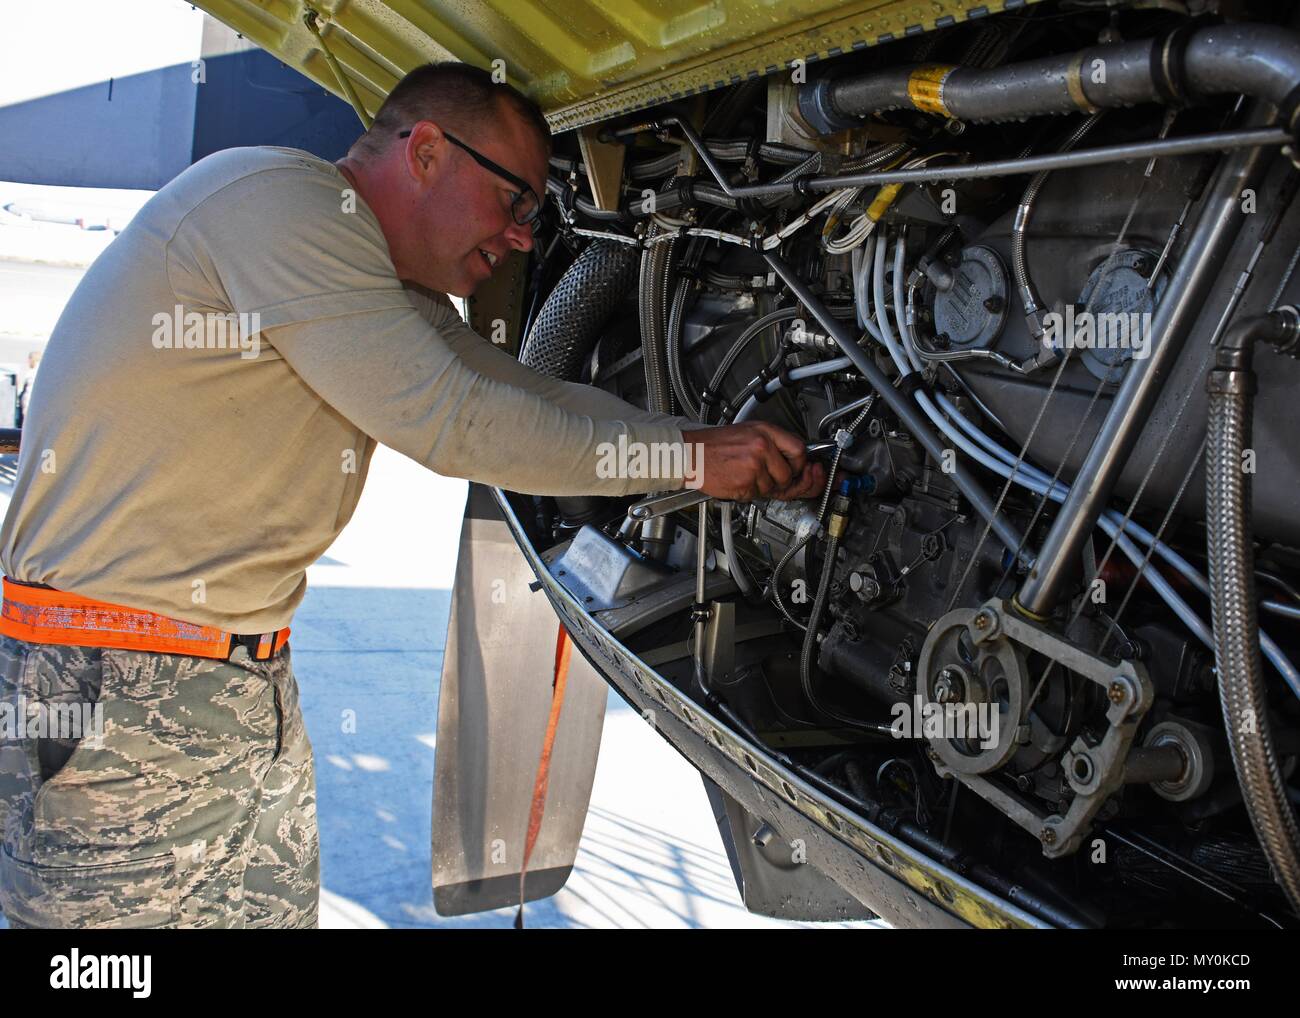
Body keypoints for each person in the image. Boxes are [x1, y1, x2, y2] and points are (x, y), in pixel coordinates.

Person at [0, 62, 822, 928]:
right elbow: (454, 422)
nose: (519, 239)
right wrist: (691, 461)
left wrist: (704, 443)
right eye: (516, 203)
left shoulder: (364, 272)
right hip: (117, 691)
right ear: (427, 151)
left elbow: (522, 395)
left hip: (233, 682)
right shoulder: (281, 205)